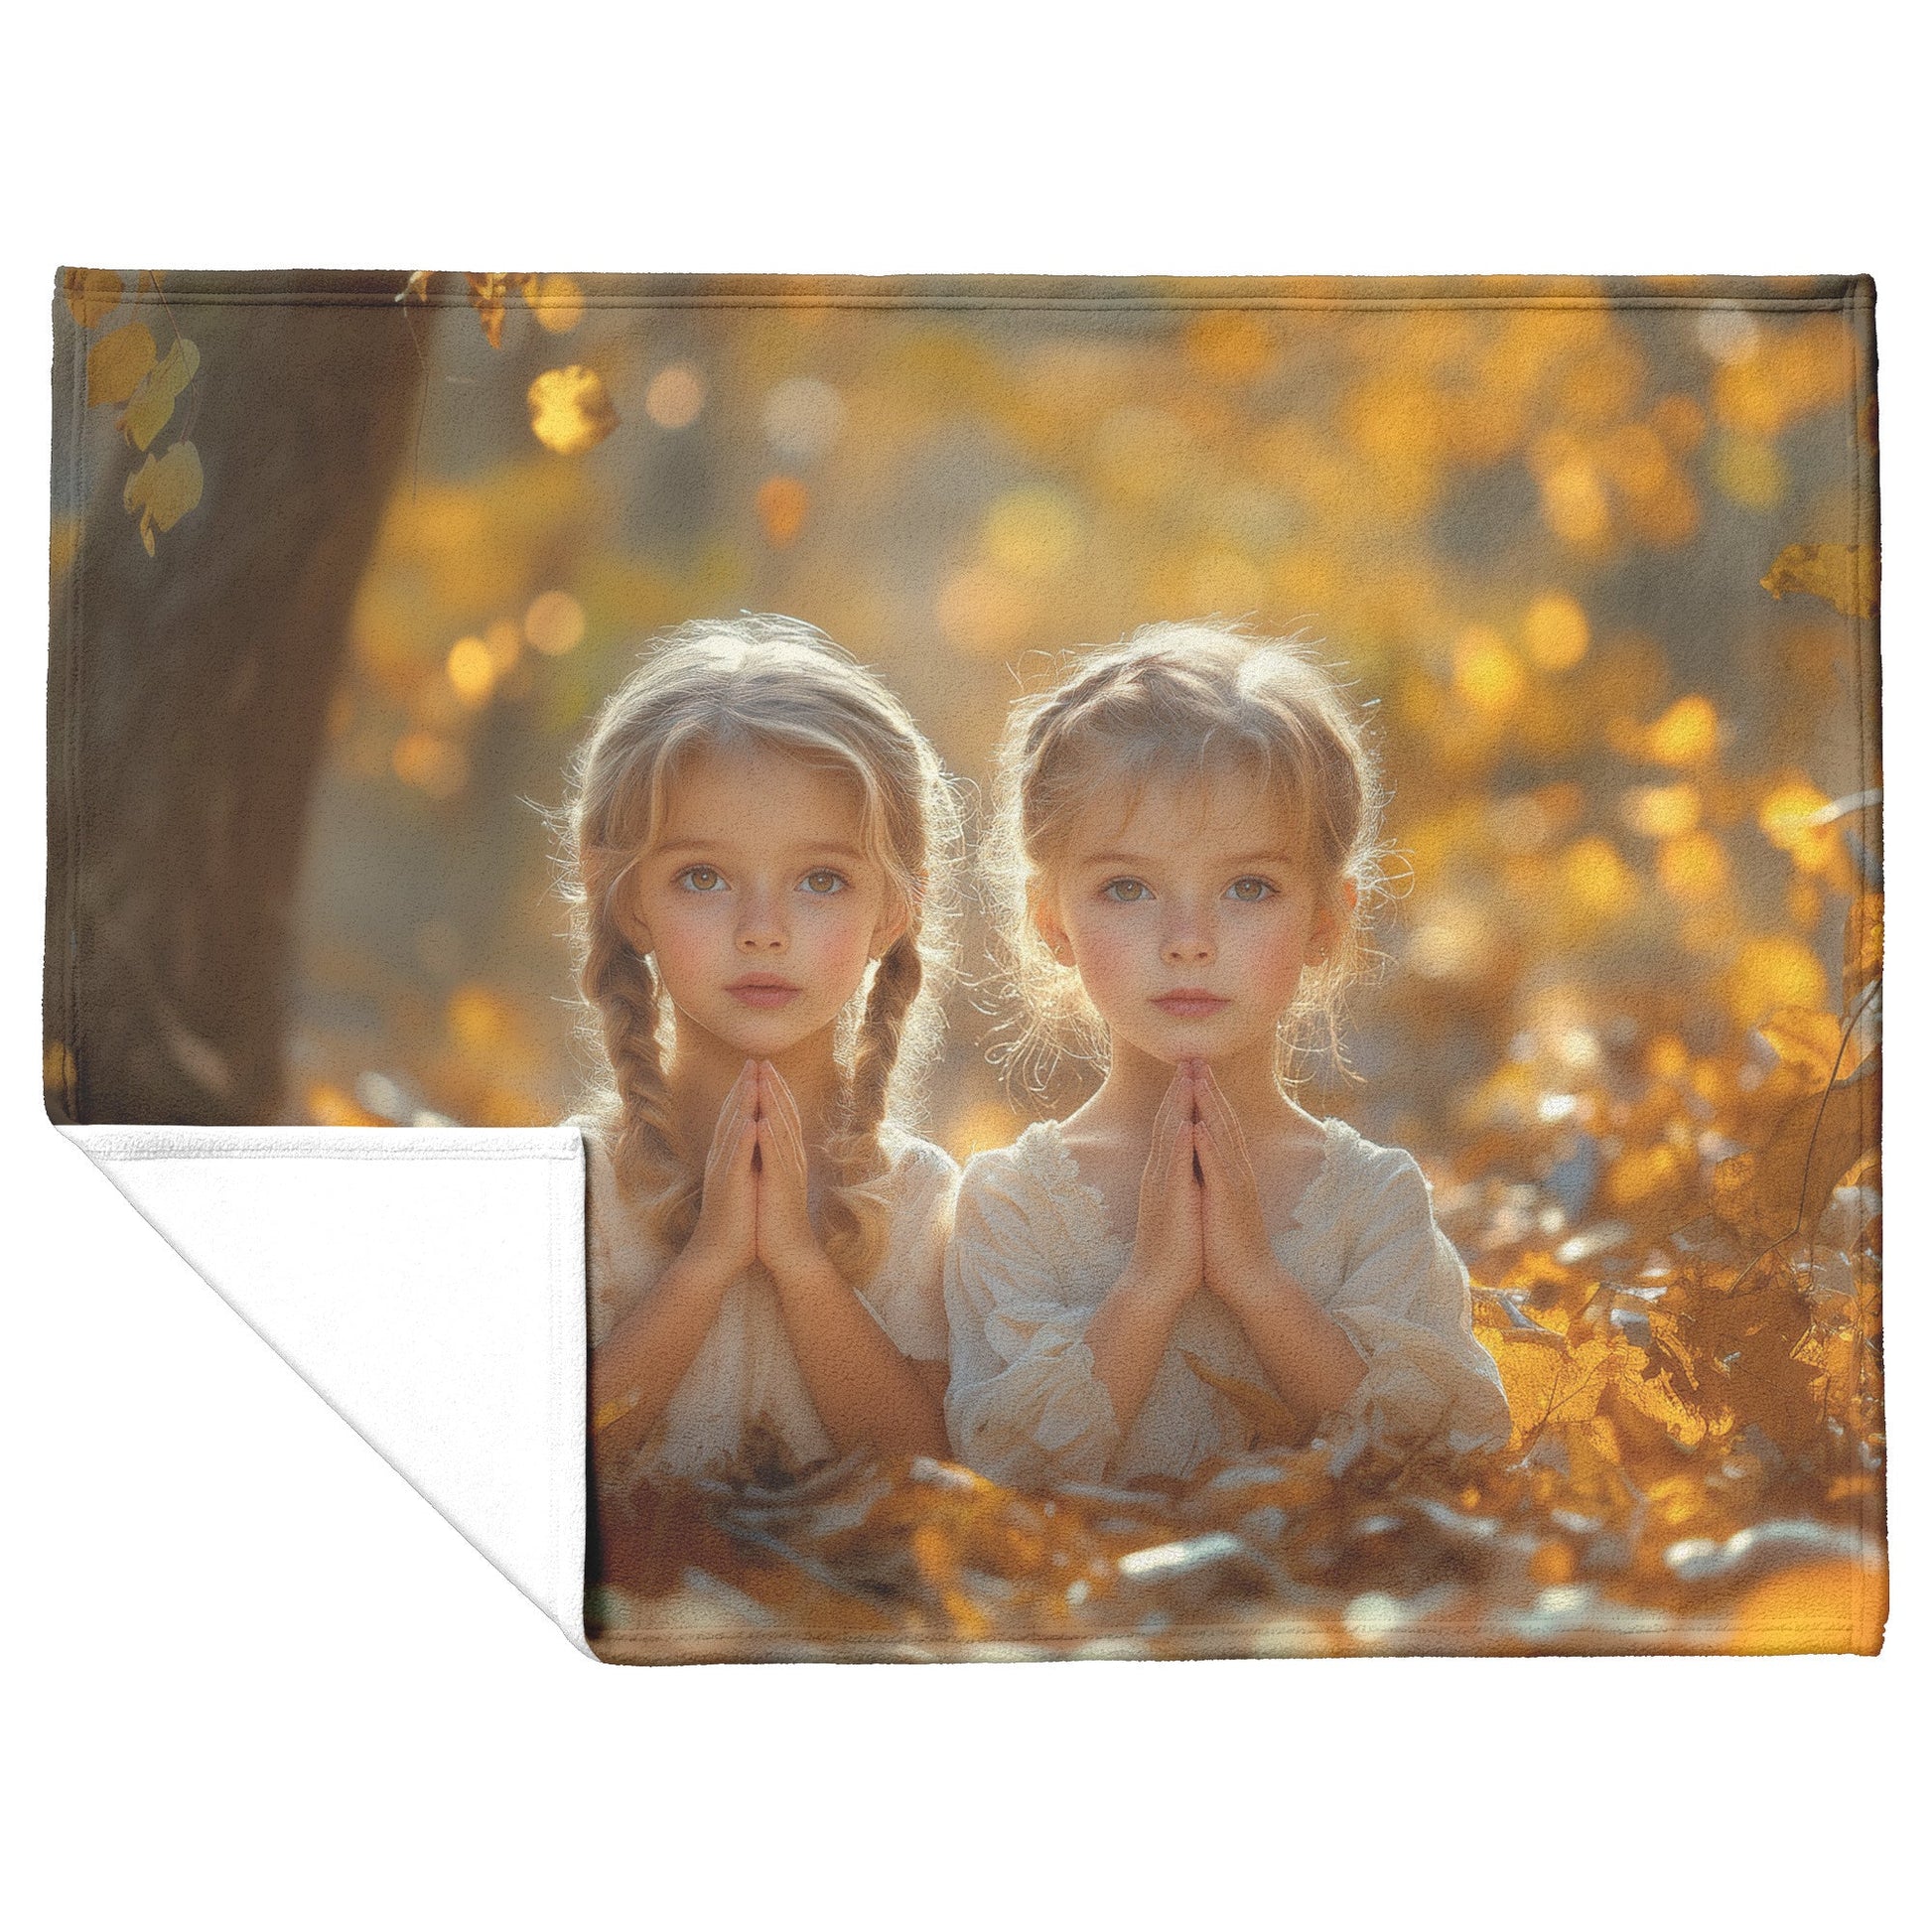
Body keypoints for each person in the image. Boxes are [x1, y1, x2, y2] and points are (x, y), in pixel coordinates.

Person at [946, 621, 1510, 1487]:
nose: (1188, 941)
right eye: (1127, 888)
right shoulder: (1010, 1207)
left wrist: (1258, 1284)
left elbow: (1444, 1463)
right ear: (1051, 919)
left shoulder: (1375, 1203)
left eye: (1248, 888)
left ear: (1328, 919)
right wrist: (1148, 1289)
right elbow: (1002, 1475)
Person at [564, 616, 962, 1488]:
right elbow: (545, 1470)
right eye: (702, 877)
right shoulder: (573, 1186)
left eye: (821, 881)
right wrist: (705, 1267)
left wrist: (801, 1268)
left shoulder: (923, 1200)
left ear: (891, 911)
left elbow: (935, 1482)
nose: (762, 931)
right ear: (626, 901)